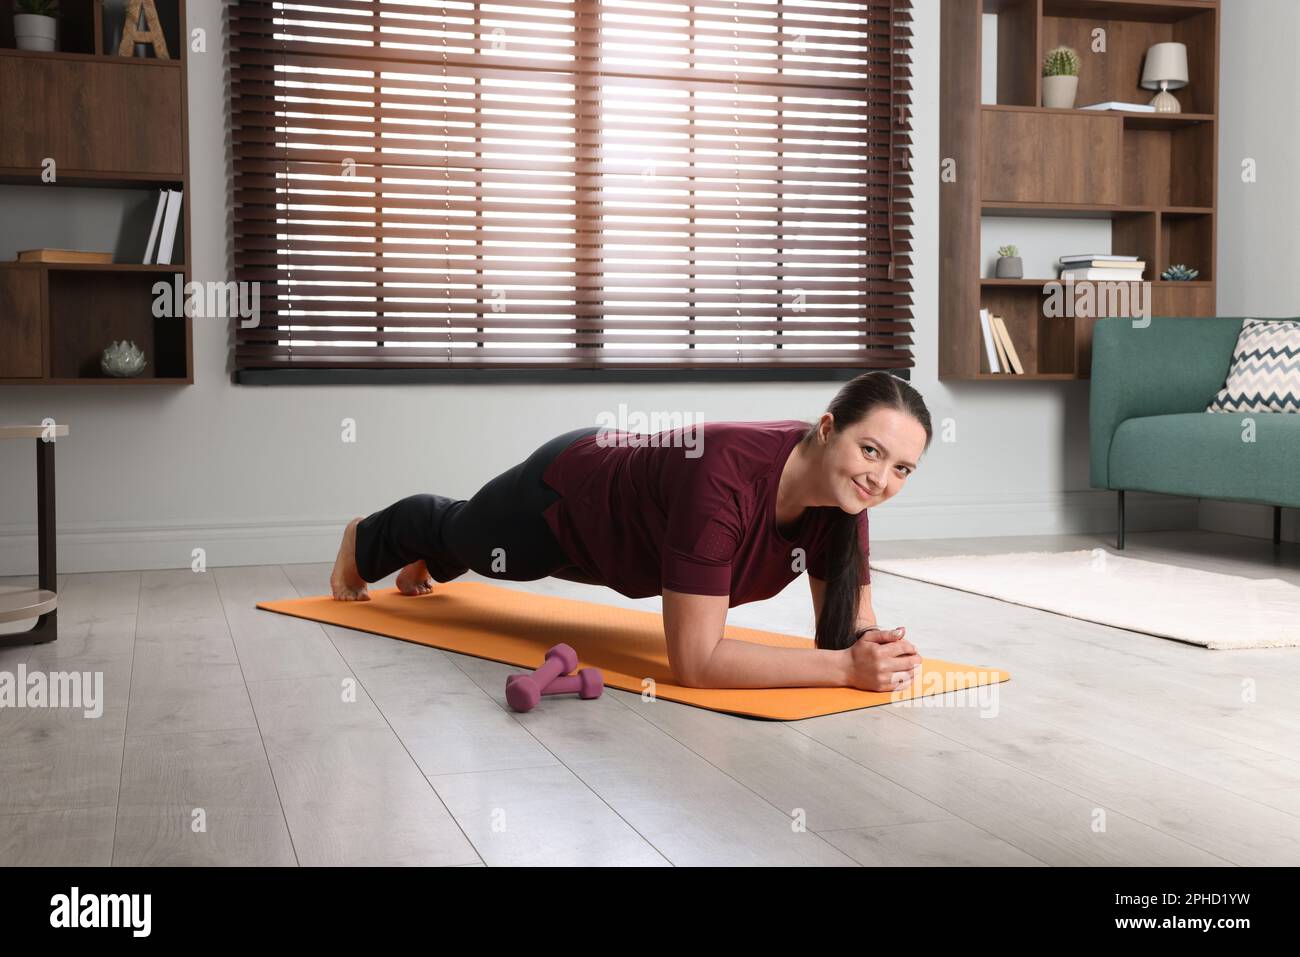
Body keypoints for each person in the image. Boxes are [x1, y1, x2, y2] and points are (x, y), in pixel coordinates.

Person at [330, 371, 932, 692]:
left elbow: (851, 621)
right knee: (472, 539)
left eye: (902, 468)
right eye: (871, 451)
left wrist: (874, 648)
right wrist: (846, 670)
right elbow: (696, 662)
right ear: (827, 429)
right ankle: (368, 538)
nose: (881, 479)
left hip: (628, 551)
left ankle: (430, 557)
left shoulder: (843, 500)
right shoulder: (724, 474)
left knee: (463, 547)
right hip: (570, 495)